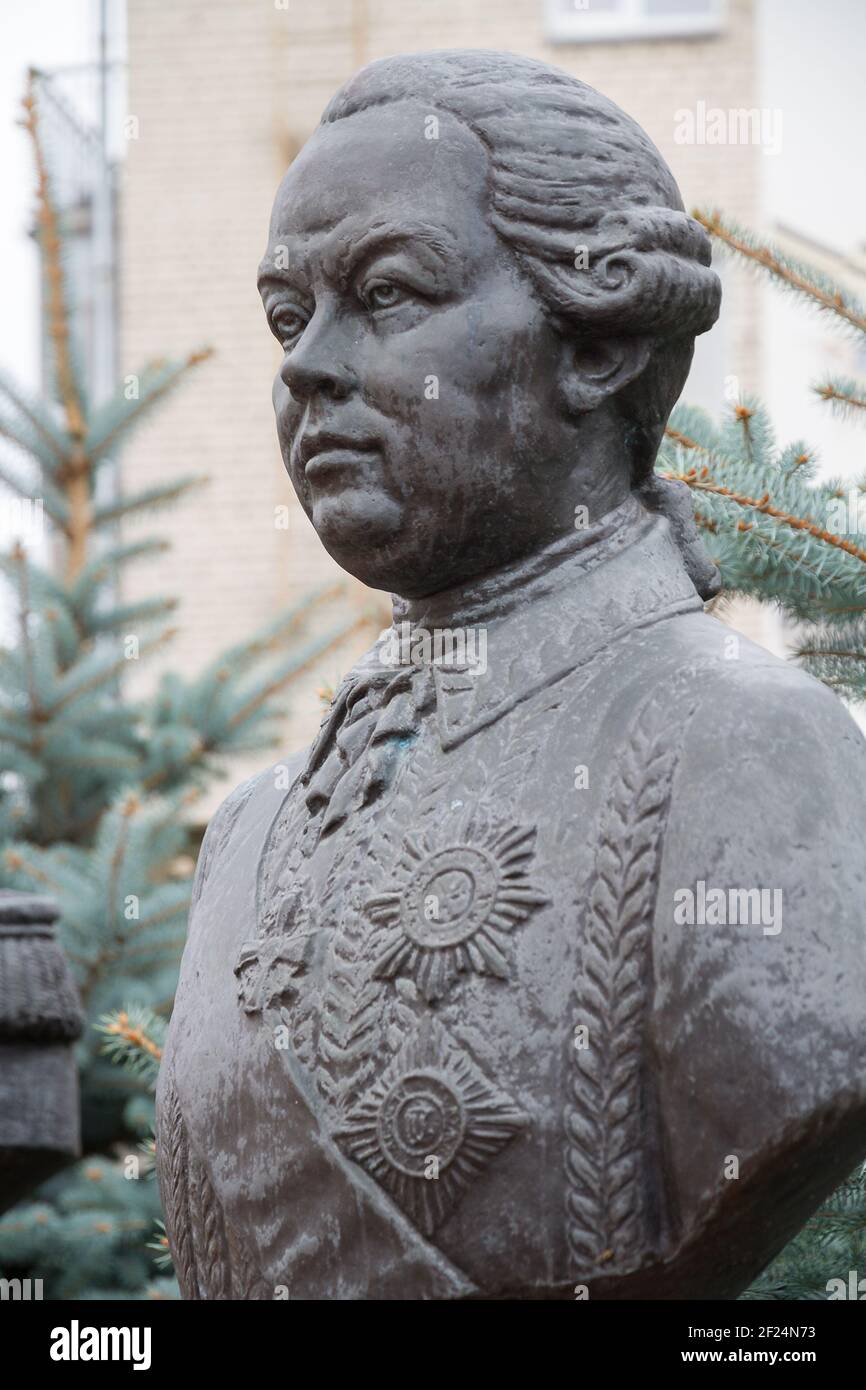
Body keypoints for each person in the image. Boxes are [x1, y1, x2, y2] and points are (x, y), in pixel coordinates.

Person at [156, 50, 866, 1300]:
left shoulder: (752, 755)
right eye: (286, 315)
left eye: (384, 293)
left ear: (595, 341)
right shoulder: (248, 833)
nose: (304, 367)